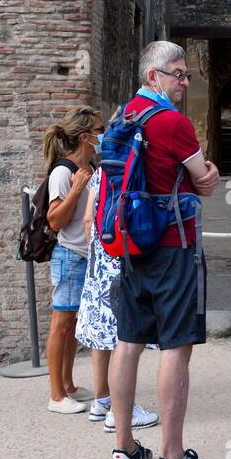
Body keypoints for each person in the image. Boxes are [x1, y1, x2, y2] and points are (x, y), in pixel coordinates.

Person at [108, 41, 224, 459]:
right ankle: (173, 458)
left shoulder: (124, 115)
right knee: (177, 344)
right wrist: (207, 177)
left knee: (129, 340)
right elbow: (204, 180)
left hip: (129, 244)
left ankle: (124, 448)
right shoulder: (173, 124)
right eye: (177, 73)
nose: (185, 81)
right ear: (153, 76)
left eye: (186, 73)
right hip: (174, 245)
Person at [77, 160, 159, 433]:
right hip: (123, 257)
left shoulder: (102, 169)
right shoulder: (136, 167)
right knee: (122, 335)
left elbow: (88, 219)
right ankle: (120, 410)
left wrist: (97, 251)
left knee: (101, 331)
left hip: (99, 258)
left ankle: (102, 400)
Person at [43, 107, 103, 414]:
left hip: (85, 256)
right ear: (85, 137)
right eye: (99, 129)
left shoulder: (91, 166)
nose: (103, 134)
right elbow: (55, 221)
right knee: (61, 324)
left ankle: (67, 386)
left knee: (73, 324)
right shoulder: (63, 173)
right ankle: (55, 396)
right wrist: (78, 187)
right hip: (69, 256)